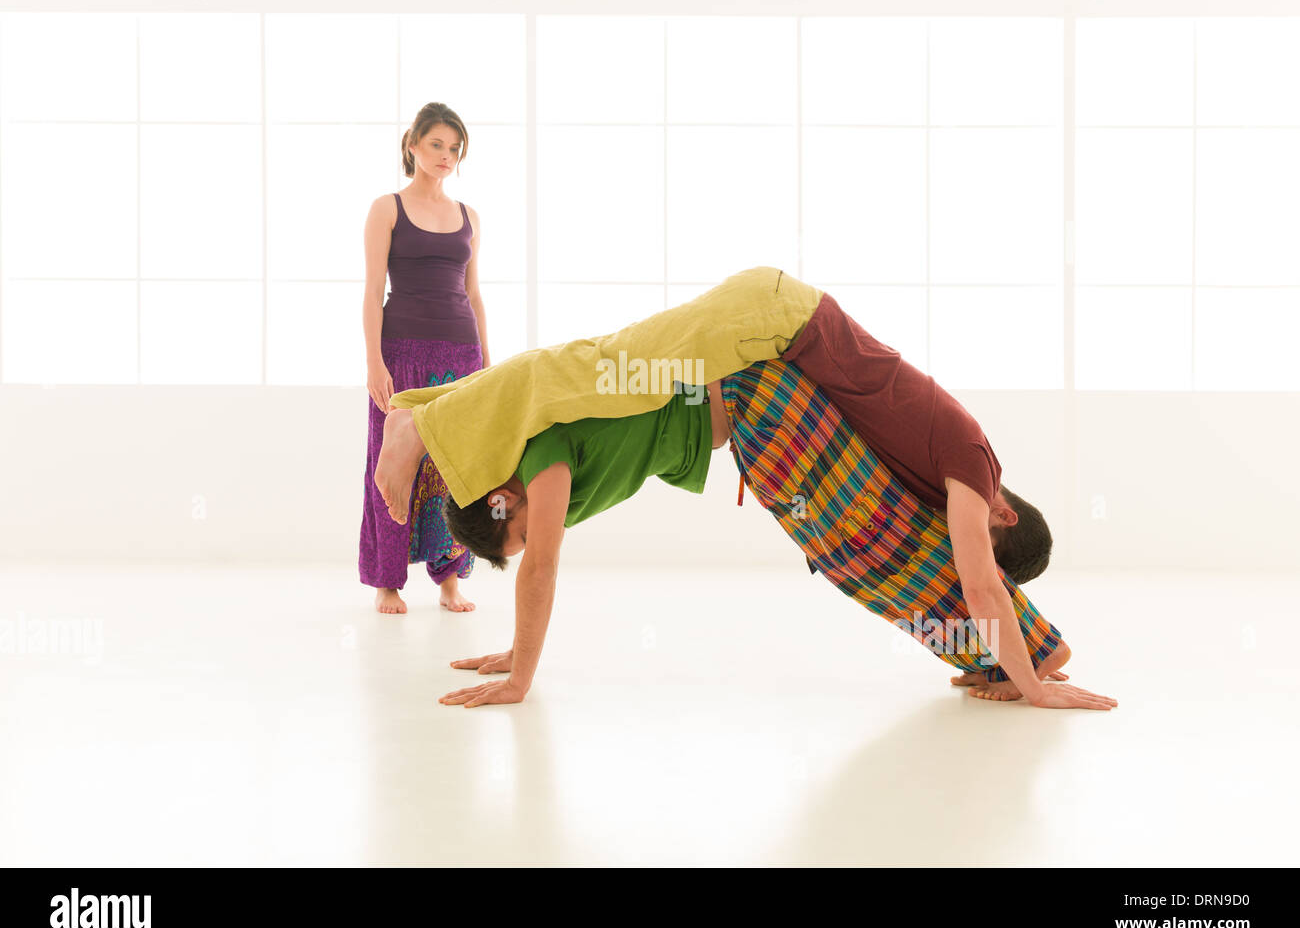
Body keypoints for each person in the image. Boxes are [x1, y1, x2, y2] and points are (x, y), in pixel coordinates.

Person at [372, 289, 1117, 712]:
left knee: (868, 539)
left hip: (758, 368)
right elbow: (534, 559)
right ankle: (996, 653)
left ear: (504, 497)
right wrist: (516, 649)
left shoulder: (544, 457)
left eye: (521, 528)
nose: (540, 531)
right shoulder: (957, 467)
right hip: (756, 385)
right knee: (861, 552)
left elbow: (542, 568)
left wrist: (522, 674)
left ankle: (1024, 658)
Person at [359, 102, 492, 615]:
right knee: (391, 461)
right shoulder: (386, 208)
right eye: (436, 144)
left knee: (455, 466)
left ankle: (451, 578)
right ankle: (387, 583)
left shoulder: (469, 216)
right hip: (402, 351)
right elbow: (372, 293)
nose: (446, 155)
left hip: (462, 353)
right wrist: (375, 362)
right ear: (412, 144)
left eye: (455, 148)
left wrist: (488, 363)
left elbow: (474, 295)